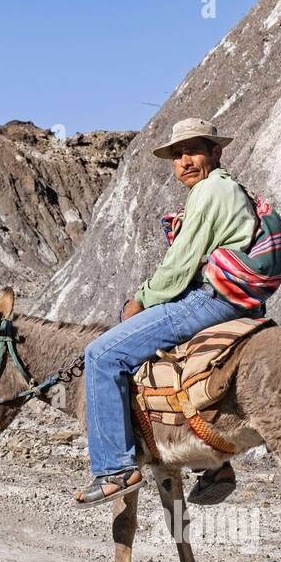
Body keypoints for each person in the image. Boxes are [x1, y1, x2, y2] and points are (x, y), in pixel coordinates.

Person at [74, 117, 259, 507]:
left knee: (103, 356)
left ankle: (114, 469)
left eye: (193, 151)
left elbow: (179, 266)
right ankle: (213, 463)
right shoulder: (230, 190)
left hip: (211, 299)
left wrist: (141, 299)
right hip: (241, 302)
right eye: (177, 155)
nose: (185, 161)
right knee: (174, 368)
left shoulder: (210, 191)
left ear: (216, 152)